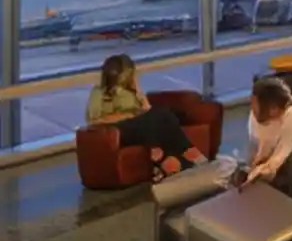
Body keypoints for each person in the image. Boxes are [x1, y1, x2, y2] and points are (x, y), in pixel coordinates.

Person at [85, 54, 207, 182]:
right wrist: (126, 116)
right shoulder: (99, 92)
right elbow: (95, 120)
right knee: (153, 119)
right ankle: (168, 158)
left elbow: (147, 109)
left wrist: (137, 90)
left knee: (162, 115)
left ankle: (183, 156)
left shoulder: (130, 91)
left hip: (139, 125)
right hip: (118, 129)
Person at [246, 77, 292, 203]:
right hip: (272, 153)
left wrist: (265, 169)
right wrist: (256, 165)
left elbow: (282, 153)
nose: (252, 107)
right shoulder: (256, 116)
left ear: (273, 109)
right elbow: (259, 145)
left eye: (256, 104)